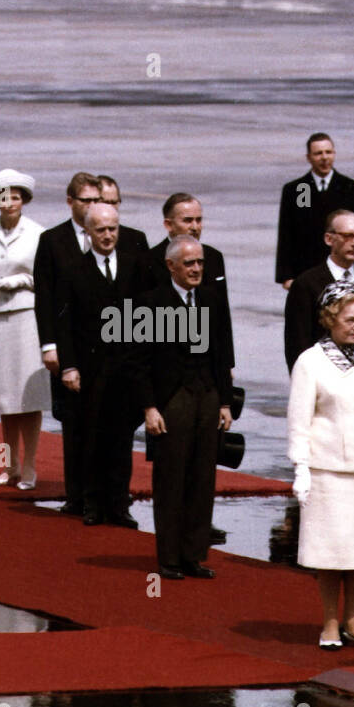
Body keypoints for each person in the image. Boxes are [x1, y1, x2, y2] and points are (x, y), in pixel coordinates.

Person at [287, 281, 354, 646]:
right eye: (350, 319)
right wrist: (300, 468)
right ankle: (330, 624)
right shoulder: (310, 361)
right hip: (329, 469)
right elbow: (298, 420)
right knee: (331, 552)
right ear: (330, 319)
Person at [33, 171, 149, 515]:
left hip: (124, 360)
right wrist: (55, 350)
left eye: (112, 222)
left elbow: (144, 305)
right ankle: (83, 497)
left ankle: (117, 501)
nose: (109, 234)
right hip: (84, 357)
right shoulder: (57, 246)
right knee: (82, 428)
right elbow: (50, 302)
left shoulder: (133, 245)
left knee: (120, 433)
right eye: (101, 226)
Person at [128, 235, 232, 577]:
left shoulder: (212, 300)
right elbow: (139, 362)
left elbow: (222, 355)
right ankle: (169, 558)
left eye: (200, 262)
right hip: (172, 400)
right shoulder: (149, 303)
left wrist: (226, 402)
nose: (197, 269)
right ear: (171, 265)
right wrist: (148, 408)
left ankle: (193, 555)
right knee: (171, 477)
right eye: (189, 263)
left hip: (208, 396)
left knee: (203, 477)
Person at [0, 170, 50, 489]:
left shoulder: (38, 234)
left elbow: (46, 279)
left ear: (24, 200)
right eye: (4, 197)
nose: (10, 202)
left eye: (15, 196)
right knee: (4, 401)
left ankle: (29, 466)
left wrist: (22, 280)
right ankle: (8, 465)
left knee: (28, 399)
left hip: (27, 320)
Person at [284, 210, 354, 374]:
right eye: (347, 236)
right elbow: (297, 344)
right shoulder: (306, 284)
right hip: (324, 381)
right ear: (329, 239)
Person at [147, 192, 234, 370]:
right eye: (187, 220)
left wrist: (227, 365)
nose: (195, 227)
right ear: (168, 225)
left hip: (207, 362)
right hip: (168, 364)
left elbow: (222, 317)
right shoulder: (149, 261)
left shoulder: (213, 257)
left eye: (198, 220)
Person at [276, 133, 354, 288]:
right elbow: (288, 233)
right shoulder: (300, 189)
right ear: (309, 157)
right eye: (318, 153)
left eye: (328, 152)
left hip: (343, 268)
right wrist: (286, 275)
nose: (324, 158)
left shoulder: (350, 188)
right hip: (307, 269)